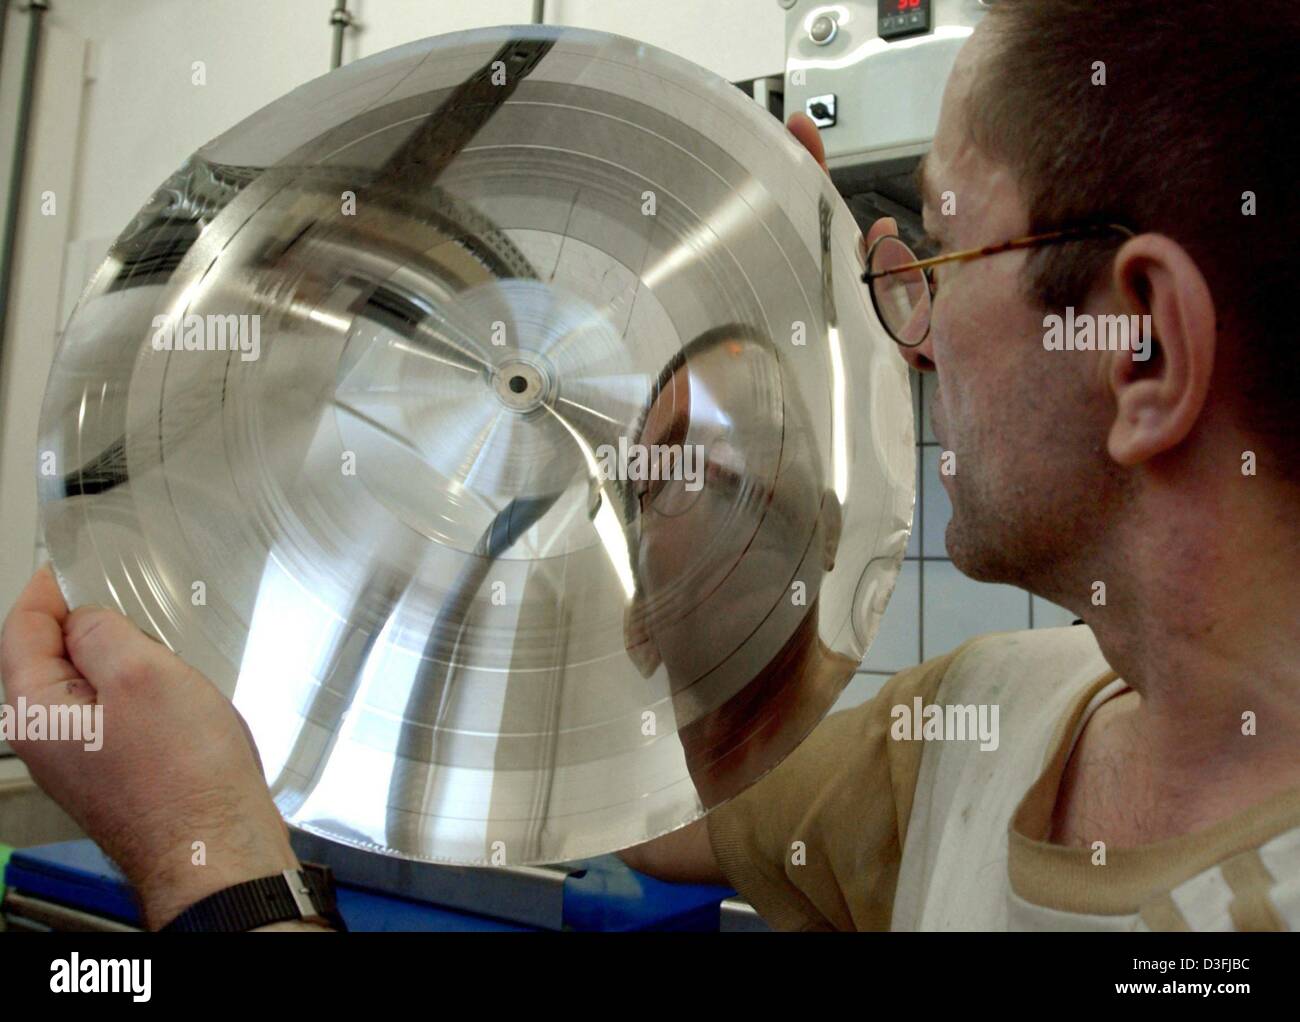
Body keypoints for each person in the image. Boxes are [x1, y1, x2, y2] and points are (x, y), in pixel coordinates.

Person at [5, 0, 1299, 931]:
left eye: (942, 261)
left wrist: (216, 862)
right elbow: (655, 801)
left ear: (1139, 347)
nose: (909, 332)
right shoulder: (993, 723)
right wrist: (715, 468)